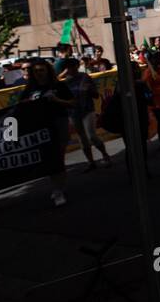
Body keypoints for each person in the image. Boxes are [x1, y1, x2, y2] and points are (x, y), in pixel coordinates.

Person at [21, 58, 73, 206]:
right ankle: (57, 188)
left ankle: (58, 189)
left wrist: (56, 100)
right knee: (50, 158)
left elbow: (72, 102)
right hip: (41, 127)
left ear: (48, 70)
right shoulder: (30, 89)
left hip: (58, 123)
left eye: (42, 70)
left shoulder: (58, 85)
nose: (39, 74)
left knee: (58, 156)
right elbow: (20, 106)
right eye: (36, 71)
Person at [62, 57, 112, 171]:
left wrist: (89, 90)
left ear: (77, 66)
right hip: (73, 112)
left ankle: (105, 155)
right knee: (82, 138)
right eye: (69, 67)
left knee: (92, 136)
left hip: (87, 110)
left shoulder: (84, 77)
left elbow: (96, 95)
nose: (72, 69)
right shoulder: (65, 82)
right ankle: (91, 162)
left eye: (73, 66)